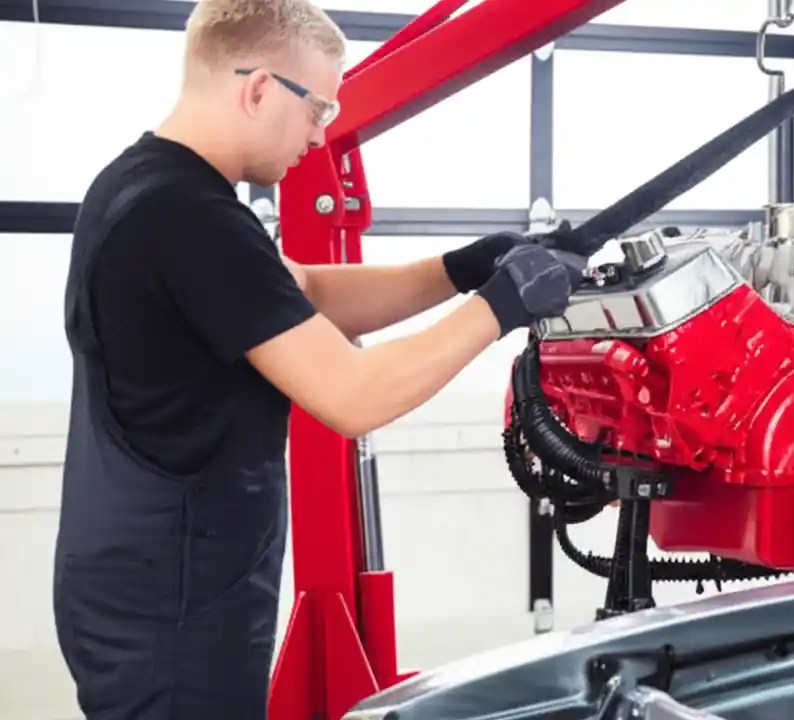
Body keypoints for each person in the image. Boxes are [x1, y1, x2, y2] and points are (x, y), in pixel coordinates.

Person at [51, 0, 584, 718]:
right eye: (318, 108)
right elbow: (355, 396)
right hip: (171, 612)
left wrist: (463, 268)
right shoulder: (189, 219)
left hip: (143, 585)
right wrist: (499, 307)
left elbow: (304, 293)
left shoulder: (147, 186)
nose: (320, 132)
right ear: (258, 88)